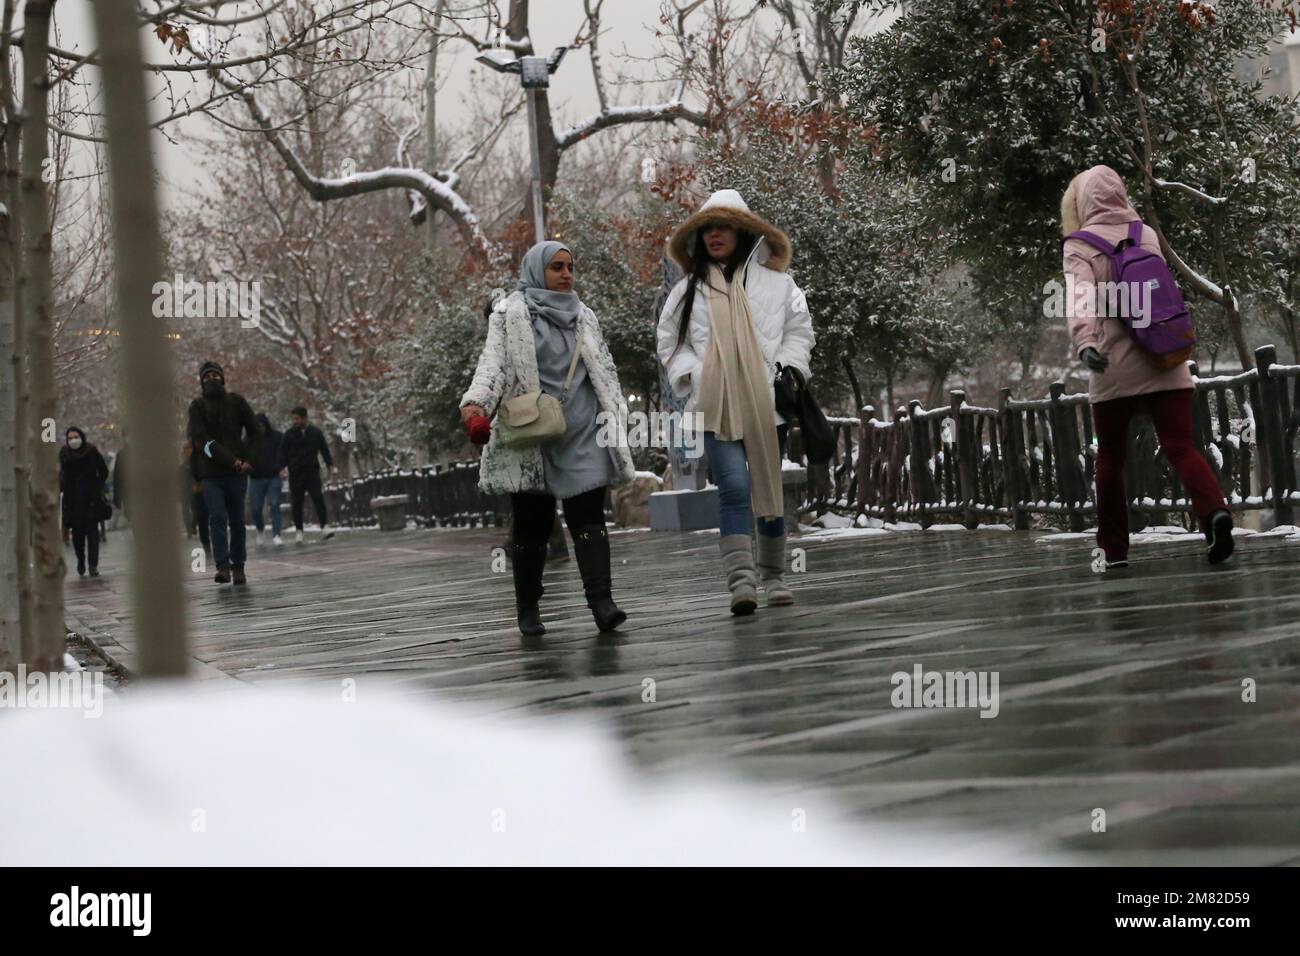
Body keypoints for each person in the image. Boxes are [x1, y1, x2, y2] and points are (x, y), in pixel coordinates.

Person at [460, 241, 635, 636]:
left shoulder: (584, 315)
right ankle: (528, 608)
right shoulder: (510, 315)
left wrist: (618, 414)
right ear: (538, 271)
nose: (566, 274)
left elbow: (603, 369)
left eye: (570, 266)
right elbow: (493, 366)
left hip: (583, 431)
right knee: (532, 526)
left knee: (588, 517)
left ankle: (602, 603)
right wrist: (475, 408)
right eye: (557, 267)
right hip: (531, 434)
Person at [1062, 164, 1233, 567]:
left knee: (1110, 459)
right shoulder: (1146, 234)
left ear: (1085, 201)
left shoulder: (1079, 245)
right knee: (1181, 447)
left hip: (1114, 364)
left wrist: (1086, 343)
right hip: (1166, 357)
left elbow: (1081, 297)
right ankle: (1215, 512)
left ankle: (1114, 549)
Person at [656, 189, 815, 615]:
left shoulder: (780, 284)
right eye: (707, 228)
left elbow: (800, 330)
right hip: (715, 403)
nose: (714, 235)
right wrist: (694, 374)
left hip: (768, 404)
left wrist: (789, 369)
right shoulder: (687, 290)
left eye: (722, 226)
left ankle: (776, 578)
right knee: (734, 487)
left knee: (768, 486)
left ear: (742, 232)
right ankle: (741, 584)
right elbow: (669, 341)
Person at [187, 360, 262, 585]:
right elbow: (202, 442)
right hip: (212, 473)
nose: (212, 380)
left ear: (222, 378)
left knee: (237, 520)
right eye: (207, 377)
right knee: (217, 517)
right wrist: (231, 460)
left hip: (238, 473)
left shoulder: (237, 402)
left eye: (215, 376)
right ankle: (223, 566)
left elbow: (255, 432)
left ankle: (238, 566)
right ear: (201, 381)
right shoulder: (197, 407)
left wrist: (249, 460)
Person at [279, 406, 335, 544]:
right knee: (297, 502)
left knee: (318, 498)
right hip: (296, 473)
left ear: (304, 418)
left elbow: (324, 449)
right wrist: (281, 468)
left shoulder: (315, 433)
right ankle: (299, 530)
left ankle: (325, 526)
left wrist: (329, 465)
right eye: (293, 419)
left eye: (297, 419)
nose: (295, 421)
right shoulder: (289, 434)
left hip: (312, 472)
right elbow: (282, 452)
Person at [59, 426, 109, 578]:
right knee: (78, 537)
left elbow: (103, 471)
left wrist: (97, 486)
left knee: (93, 535)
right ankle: (81, 560)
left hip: (91, 500)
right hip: (73, 502)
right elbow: (62, 476)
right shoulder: (65, 455)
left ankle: (93, 565)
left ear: (81, 436)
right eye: (70, 438)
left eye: (76, 436)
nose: (74, 440)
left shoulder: (91, 451)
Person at [249, 412, 285, 547]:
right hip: (256, 478)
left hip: (273, 477)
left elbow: (283, 453)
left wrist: (281, 467)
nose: (259, 429)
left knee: (275, 504)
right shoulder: (250, 439)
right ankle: (260, 530)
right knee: (256, 508)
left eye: (261, 426)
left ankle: (277, 534)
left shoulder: (277, 437)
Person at [181, 439, 210, 556]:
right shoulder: (184, 464)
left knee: (200, 514)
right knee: (188, 511)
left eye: (189, 449)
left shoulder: (201, 458)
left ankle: (205, 541)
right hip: (187, 491)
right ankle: (191, 528)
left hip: (198, 490)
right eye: (186, 450)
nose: (188, 451)